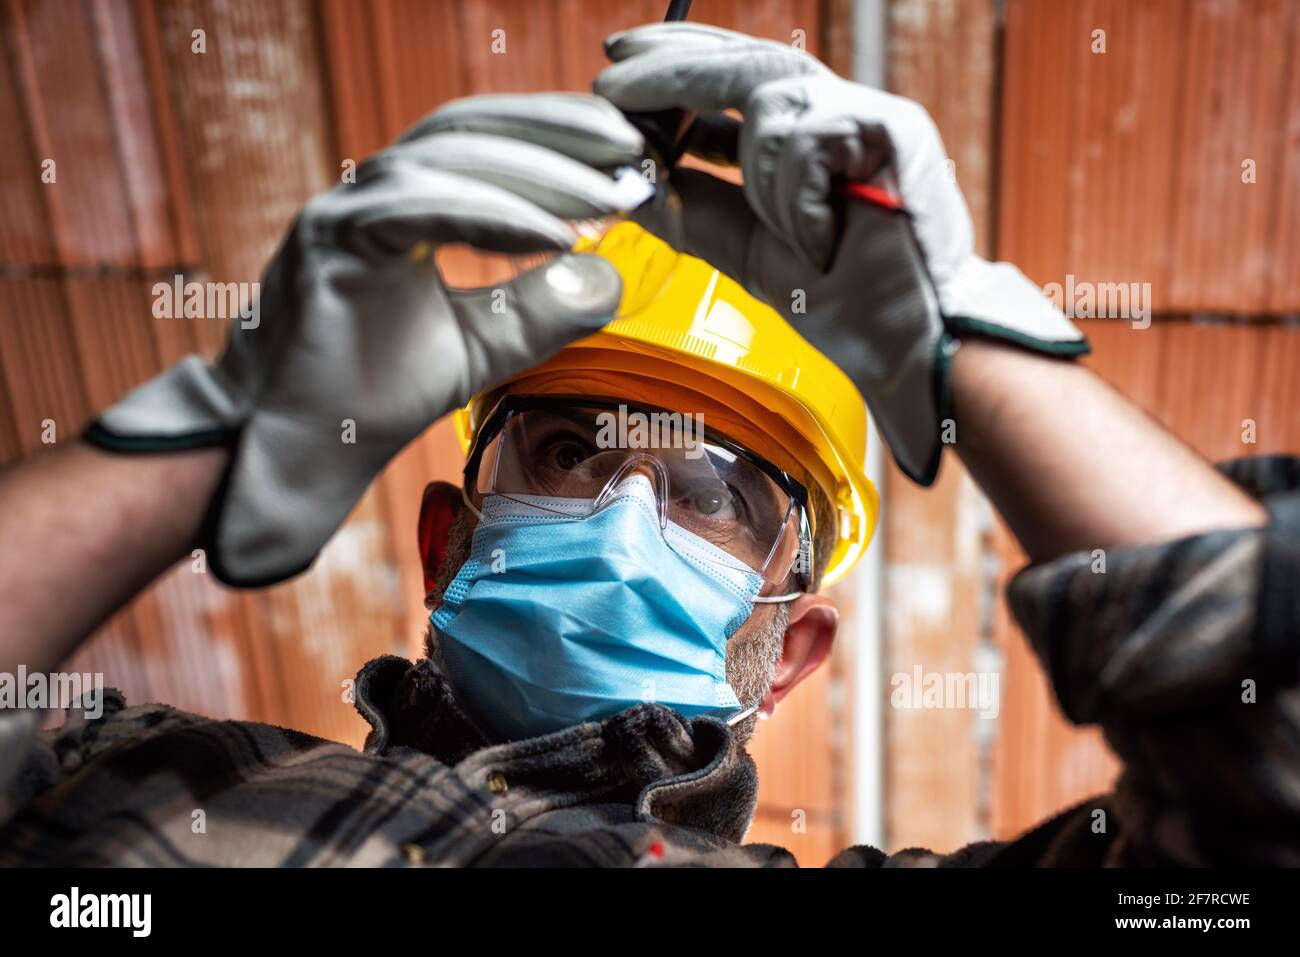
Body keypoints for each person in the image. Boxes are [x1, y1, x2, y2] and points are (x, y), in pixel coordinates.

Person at [0, 24, 1292, 867]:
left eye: (713, 493)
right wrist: (215, 436)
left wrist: (971, 348)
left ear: (788, 647)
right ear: (447, 539)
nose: (624, 517)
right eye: (569, 454)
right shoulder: (146, 794)